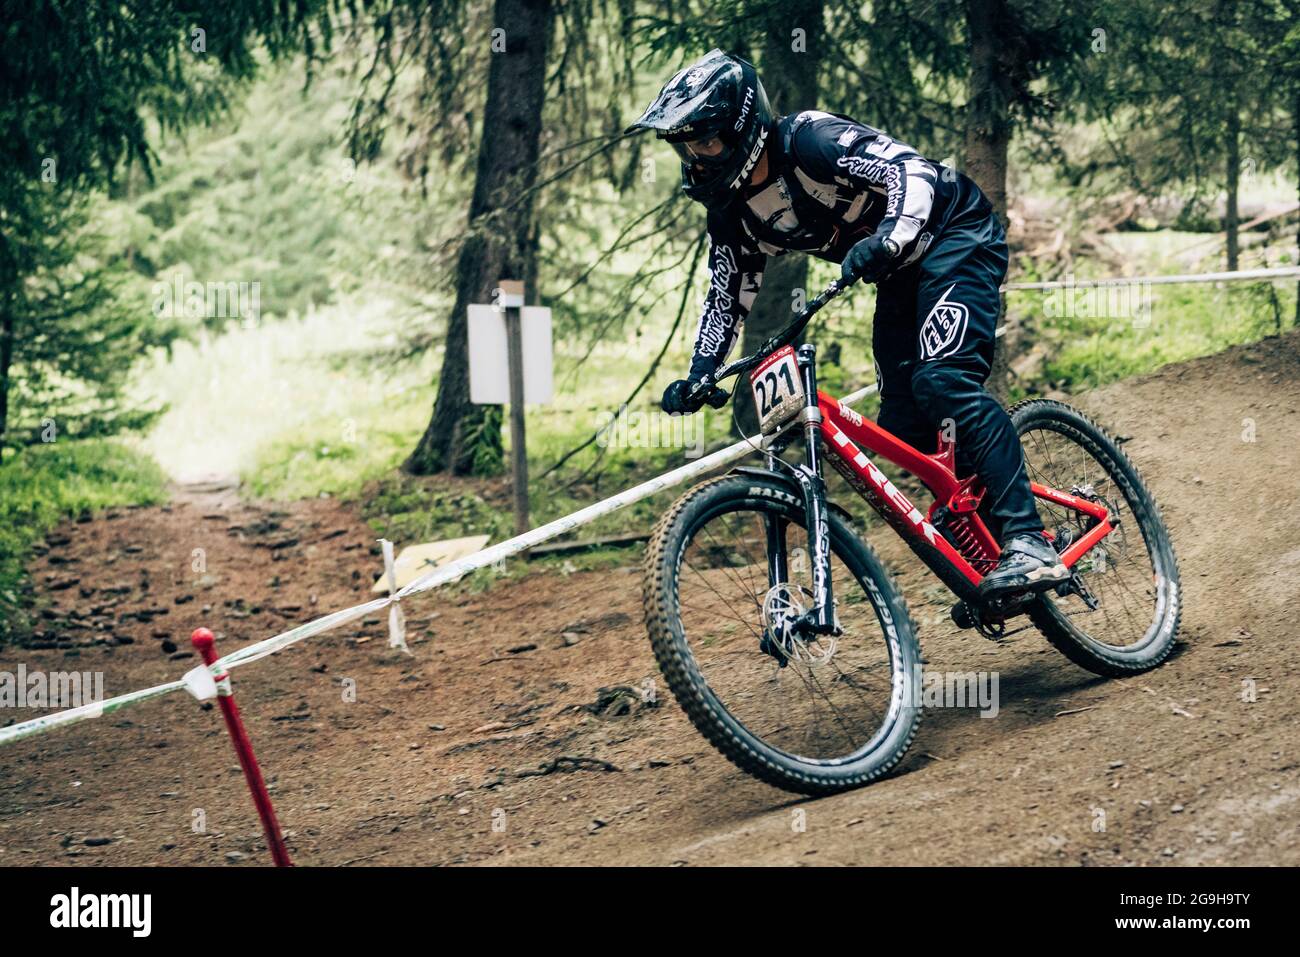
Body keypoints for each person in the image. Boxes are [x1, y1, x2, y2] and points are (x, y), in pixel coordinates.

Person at [625, 49, 1067, 598]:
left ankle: (1030, 540)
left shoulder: (808, 139)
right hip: (899, 272)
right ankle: (985, 521)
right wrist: (701, 371)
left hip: (954, 234)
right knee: (904, 427)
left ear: (739, 126)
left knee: (943, 381)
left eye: (706, 141)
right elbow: (726, 295)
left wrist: (892, 237)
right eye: (687, 145)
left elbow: (911, 171)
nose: (697, 156)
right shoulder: (733, 213)